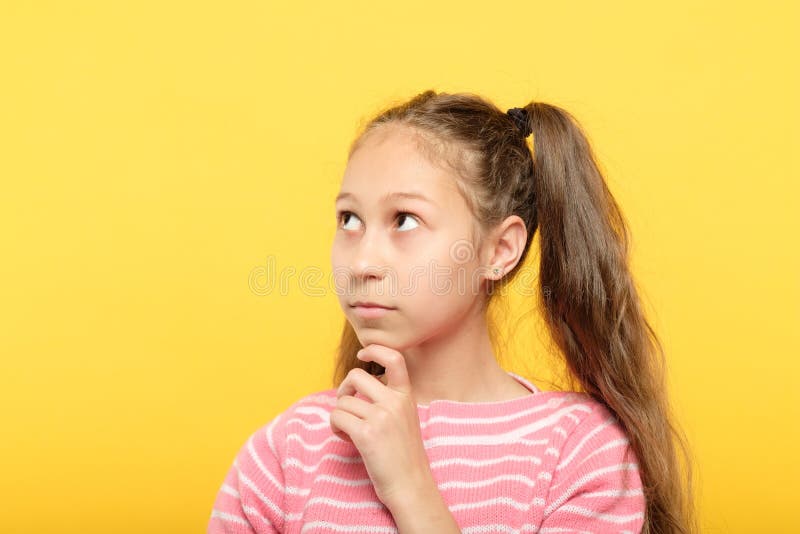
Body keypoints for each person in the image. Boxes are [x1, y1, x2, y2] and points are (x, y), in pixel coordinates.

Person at [207, 90, 697, 533]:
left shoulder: (578, 454)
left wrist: (410, 487)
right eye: (349, 219)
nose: (361, 262)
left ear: (499, 250)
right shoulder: (290, 450)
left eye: (405, 220)